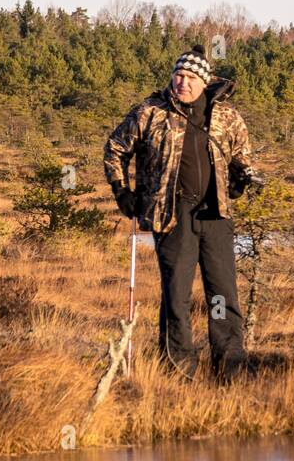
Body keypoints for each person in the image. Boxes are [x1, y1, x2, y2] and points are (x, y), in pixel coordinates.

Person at [103, 47, 263, 381]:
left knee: (221, 293)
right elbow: (116, 148)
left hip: (215, 215)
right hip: (172, 215)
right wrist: (122, 193)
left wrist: (240, 181)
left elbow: (242, 157)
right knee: (176, 293)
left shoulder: (227, 116)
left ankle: (230, 367)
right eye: (178, 75)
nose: (182, 82)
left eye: (190, 77)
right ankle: (179, 369)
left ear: (204, 82)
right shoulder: (150, 112)